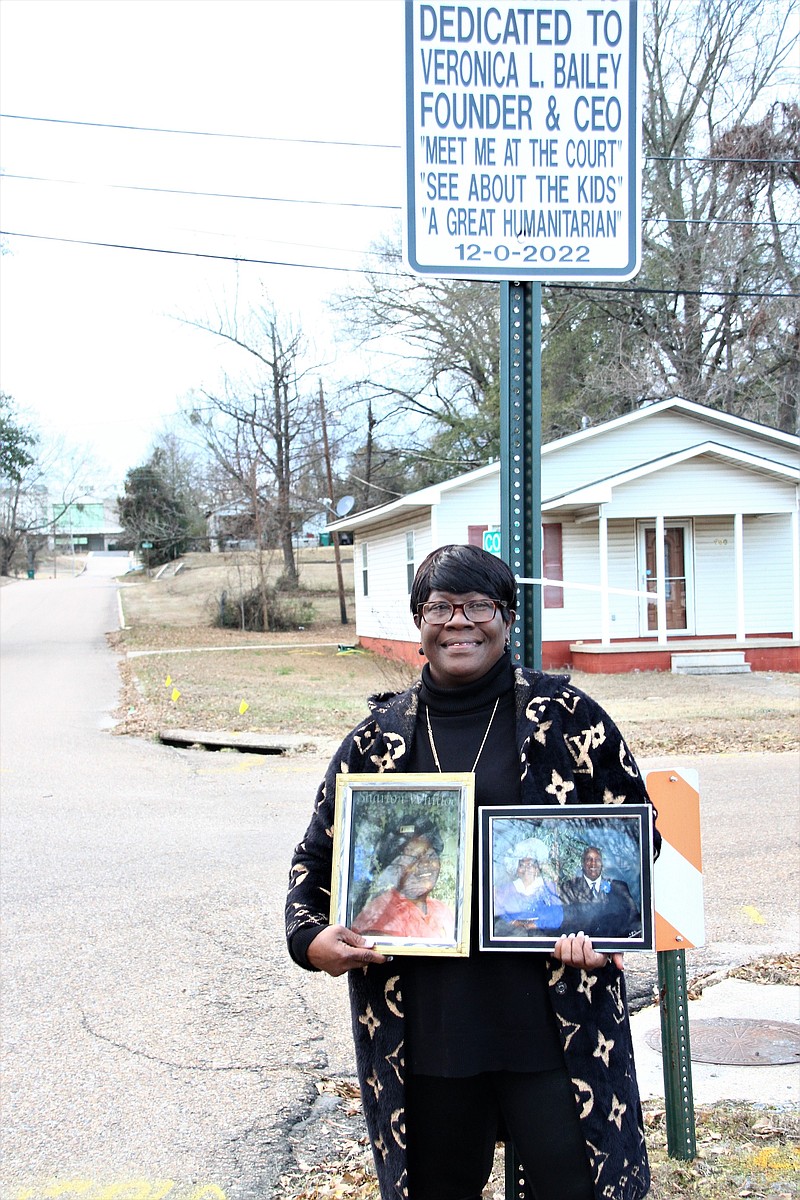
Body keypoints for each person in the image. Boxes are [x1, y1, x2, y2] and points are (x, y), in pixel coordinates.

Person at [286, 544, 658, 1200]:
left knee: (578, 1188)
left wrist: (601, 928)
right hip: (427, 1034)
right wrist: (311, 940)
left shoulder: (570, 720)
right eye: (439, 607)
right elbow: (317, 860)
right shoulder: (375, 743)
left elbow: (638, 833)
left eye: (478, 605)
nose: (459, 622)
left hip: (554, 1026)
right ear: (419, 622)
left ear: (507, 618)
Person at [351, 814, 455, 940]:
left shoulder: (441, 910)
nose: (425, 864)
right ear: (395, 866)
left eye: (431, 855)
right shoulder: (381, 918)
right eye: (414, 857)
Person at [561, 845, 642, 938]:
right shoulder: (569, 888)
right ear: (583, 864)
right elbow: (567, 923)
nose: (593, 863)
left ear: (602, 864)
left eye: (597, 860)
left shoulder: (619, 888)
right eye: (589, 859)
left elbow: (633, 920)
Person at [493, 837, 563, 935]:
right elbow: (498, 913)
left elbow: (557, 916)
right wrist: (513, 923)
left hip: (542, 935)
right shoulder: (507, 889)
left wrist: (536, 924)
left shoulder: (548, 887)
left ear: (537, 869)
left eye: (530, 865)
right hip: (512, 935)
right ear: (516, 869)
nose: (526, 869)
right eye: (521, 865)